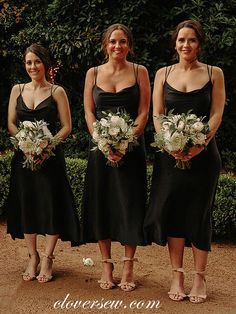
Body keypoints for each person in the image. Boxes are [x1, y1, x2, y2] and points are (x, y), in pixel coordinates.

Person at [144, 20, 225, 303]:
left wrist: (200, 144)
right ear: (174, 43)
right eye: (181, 40)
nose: (185, 45)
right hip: (169, 156)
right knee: (174, 213)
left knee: (200, 215)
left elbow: (216, 114)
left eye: (191, 40)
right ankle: (177, 275)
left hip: (204, 158)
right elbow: (156, 114)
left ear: (199, 43)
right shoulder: (163, 73)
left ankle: (199, 279)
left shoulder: (215, 73)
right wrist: (169, 144)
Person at [82, 23, 150, 291]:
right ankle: (107, 266)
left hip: (131, 150)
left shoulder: (139, 71)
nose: (117, 47)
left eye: (122, 42)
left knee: (129, 204)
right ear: (105, 45)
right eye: (112, 42)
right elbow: (88, 112)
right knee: (103, 204)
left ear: (129, 44)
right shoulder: (93, 73)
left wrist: (125, 142)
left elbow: (144, 111)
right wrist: (101, 140)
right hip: (100, 149)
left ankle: (128, 266)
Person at [7, 43, 81, 283]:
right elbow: (11, 124)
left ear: (45, 64)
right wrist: (27, 145)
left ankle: (48, 258)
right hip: (23, 158)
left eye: (37, 62)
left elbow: (67, 127)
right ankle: (32, 256)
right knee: (27, 205)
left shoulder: (56, 91)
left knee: (51, 205)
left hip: (50, 159)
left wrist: (45, 147)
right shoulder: (17, 89)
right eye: (28, 62)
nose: (32, 66)